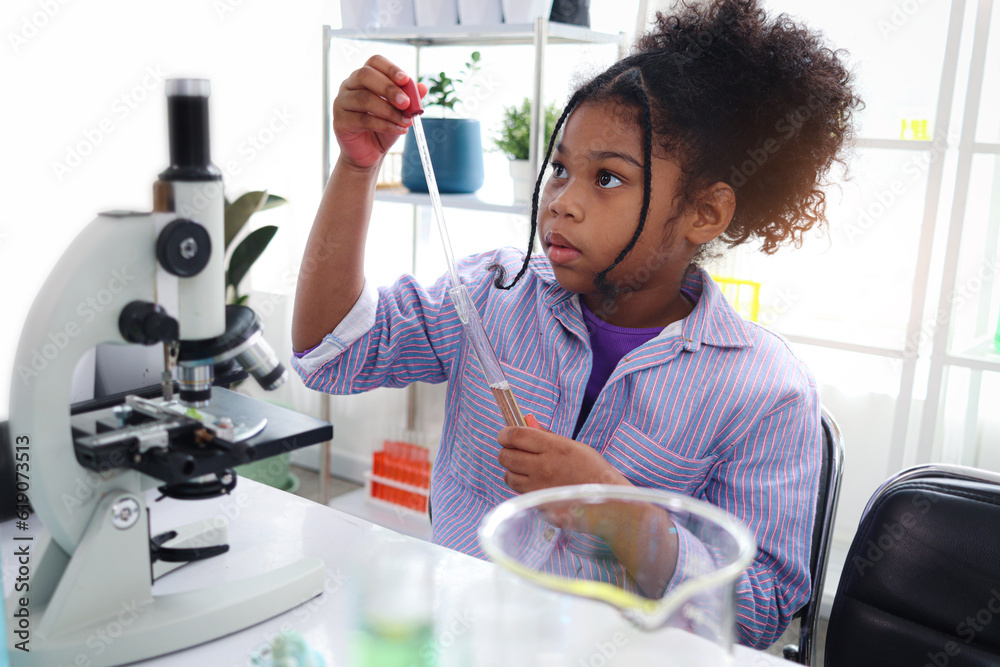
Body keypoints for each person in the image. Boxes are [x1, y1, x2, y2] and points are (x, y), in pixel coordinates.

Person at [291, 0, 860, 649]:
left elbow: (757, 613)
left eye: (608, 178)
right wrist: (358, 167)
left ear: (704, 213)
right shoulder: (492, 294)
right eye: (560, 168)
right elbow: (330, 353)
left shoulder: (766, 390)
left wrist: (619, 510)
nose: (562, 201)